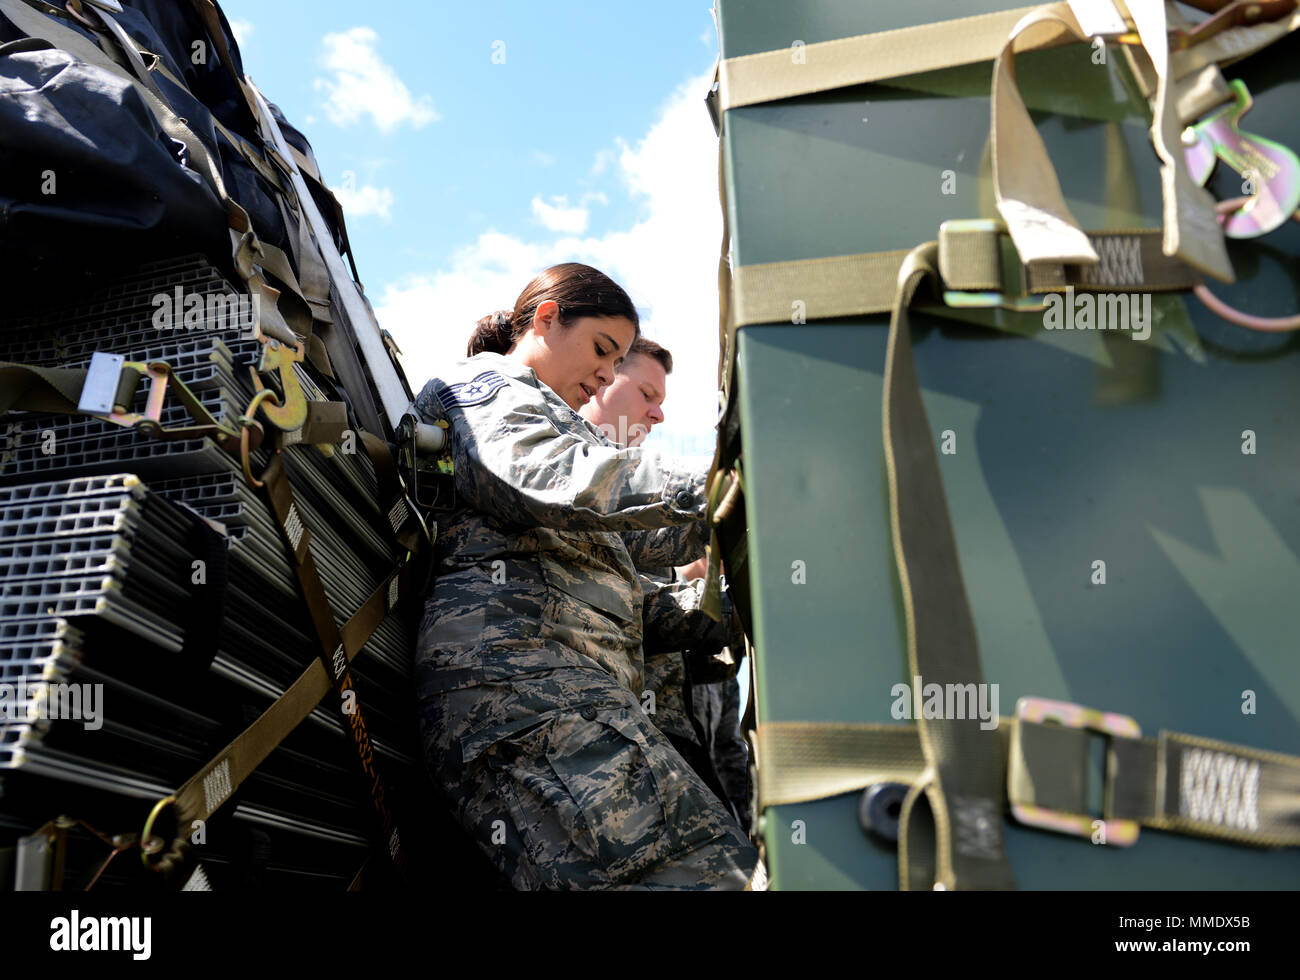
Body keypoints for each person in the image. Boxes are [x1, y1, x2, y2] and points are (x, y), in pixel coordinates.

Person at [411, 262, 759, 890]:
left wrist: (738, 594)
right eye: (602, 350)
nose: (606, 373)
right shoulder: (486, 386)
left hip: (568, 697)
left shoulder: (553, 419)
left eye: (617, 357)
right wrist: (722, 488)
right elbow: (541, 476)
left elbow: (634, 576)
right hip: (523, 692)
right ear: (546, 318)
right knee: (712, 878)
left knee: (721, 870)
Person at [579, 339, 749, 826]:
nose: (657, 416)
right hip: (613, 741)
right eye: (647, 394)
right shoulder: (568, 486)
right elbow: (631, 611)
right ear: (605, 380)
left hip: (671, 744)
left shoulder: (637, 501)